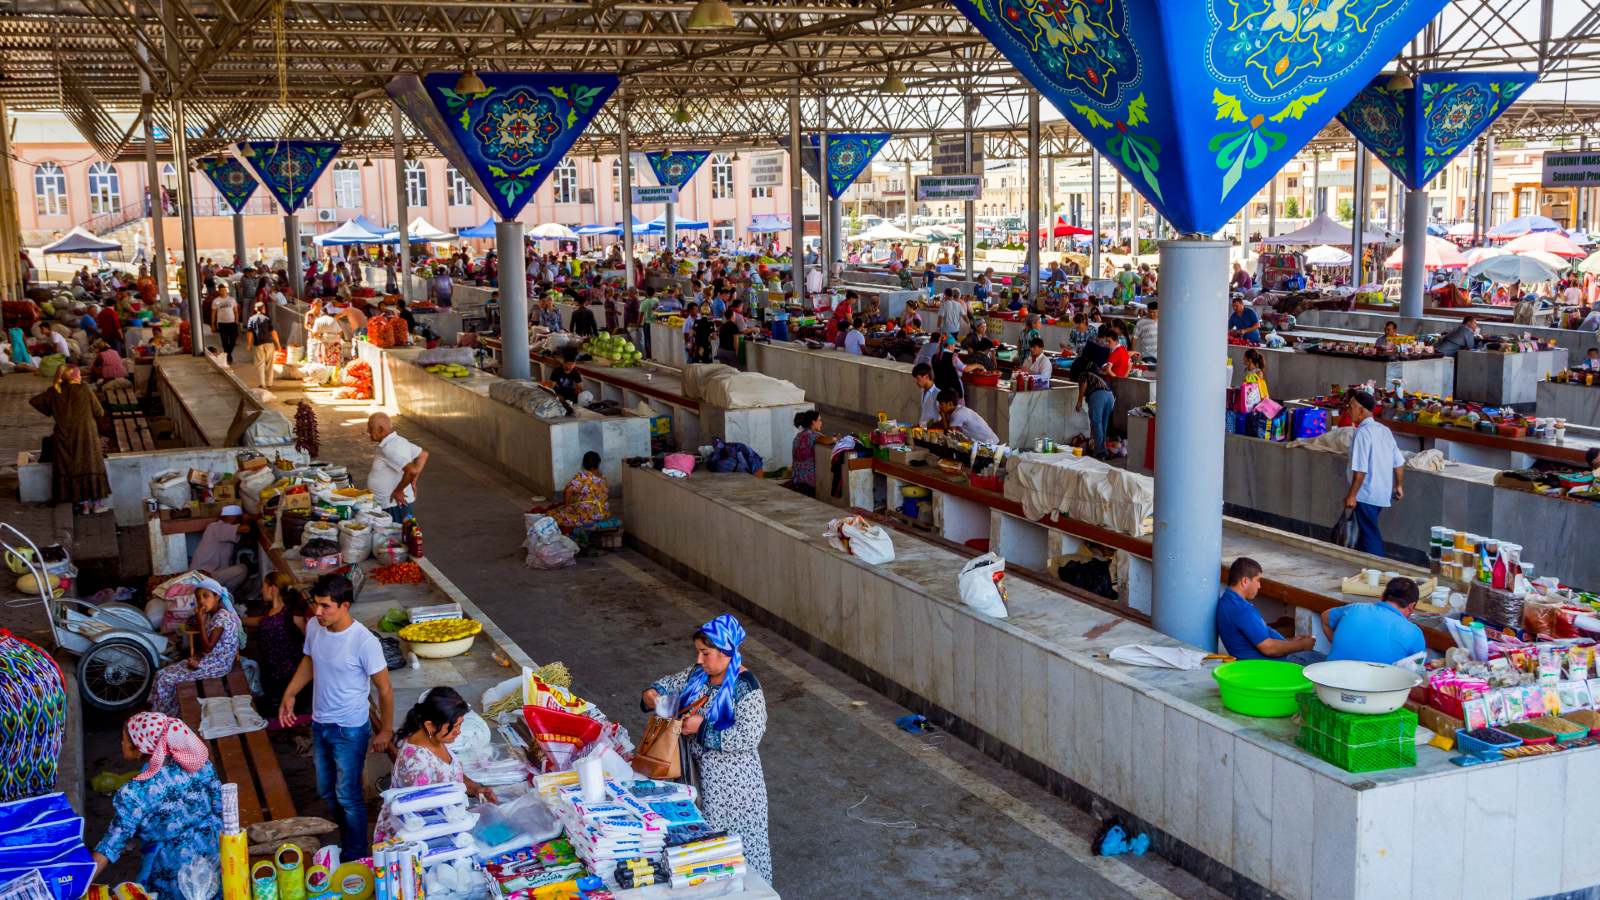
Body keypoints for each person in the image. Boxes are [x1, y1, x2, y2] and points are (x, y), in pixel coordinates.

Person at [642, 615, 771, 883]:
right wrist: (652, 694)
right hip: (696, 777)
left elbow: (749, 736)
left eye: (705, 653)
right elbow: (666, 685)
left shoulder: (746, 687)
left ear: (726, 651)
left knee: (737, 851)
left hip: (734, 790)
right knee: (704, 850)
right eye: (698, 652)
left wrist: (701, 728)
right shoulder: (698, 675)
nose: (699, 659)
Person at [278, 573, 394, 861]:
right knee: (326, 790)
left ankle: (355, 855)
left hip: (350, 730)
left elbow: (385, 689)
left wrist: (386, 730)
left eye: (325, 606)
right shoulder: (315, 628)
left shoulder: (364, 642)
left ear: (344, 605)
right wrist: (290, 693)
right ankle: (345, 836)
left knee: (348, 795)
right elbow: (310, 660)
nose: (318, 612)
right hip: (320, 724)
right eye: (316, 604)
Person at [93, 713, 222, 900]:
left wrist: (79, 883)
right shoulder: (196, 762)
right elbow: (219, 806)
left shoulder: (133, 793)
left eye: (124, 740)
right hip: (214, 853)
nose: (121, 743)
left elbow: (111, 845)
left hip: (172, 869)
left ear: (139, 749)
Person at [372, 688, 498, 842]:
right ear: (430, 725)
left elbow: (451, 772)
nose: (458, 732)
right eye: (454, 727)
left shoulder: (434, 738)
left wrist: (476, 789)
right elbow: (421, 817)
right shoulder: (417, 764)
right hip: (416, 836)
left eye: (460, 725)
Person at [150, 577, 244, 717]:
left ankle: (166, 715)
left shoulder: (222, 618)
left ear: (217, 597)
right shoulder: (214, 614)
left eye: (206, 596)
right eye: (198, 597)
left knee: (165, 678)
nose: (201, 601)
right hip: (211, 660)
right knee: (162, 673)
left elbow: (208, 647)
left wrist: (201, 622)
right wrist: (198, 656)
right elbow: (211, 647)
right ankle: (167, 710)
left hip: (218, 666)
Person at [30, 365, 110, 515]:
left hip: (64, 437)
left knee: (73, 469)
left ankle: (83, 506)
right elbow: (99, 412)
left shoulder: (54, 391)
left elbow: (35, 401)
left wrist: (54, 408)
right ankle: (96, 505)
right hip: (86, 435)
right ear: (74, 376)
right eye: (79, 374)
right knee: (90, 467)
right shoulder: (84, 389)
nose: (80, 377)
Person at [1215, 557, 1322, 663]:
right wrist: (1301, 645)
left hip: (1263, 660)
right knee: (1324, 662)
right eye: (1258, 580)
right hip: (1272, 664)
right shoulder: (1240, 609)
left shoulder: (1227, 601)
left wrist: (1291, 642)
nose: (1259, 586)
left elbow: (1261, 638)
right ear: (1245, 581)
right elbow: (1269, 648)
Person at [1343, 390, 1405, 557]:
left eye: (1351, 407)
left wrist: (1352, 495)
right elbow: (1399, 462)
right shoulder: (1384, 430)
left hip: (1366, 494)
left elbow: (1360, 471)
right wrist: (1399, 486)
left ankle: (1377, 566)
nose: (1348, 410)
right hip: (1382, 492)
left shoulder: (1362, 433)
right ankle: (1364, 564)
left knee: (1369, 533)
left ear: (1361, 410)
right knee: (1364, 532)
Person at [1320, 579, 1426, 665]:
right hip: (1374, 685)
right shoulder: (1414, 633)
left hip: (1328, 680)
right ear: (1412, 606)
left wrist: (1339, 646)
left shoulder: (1356, 608)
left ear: (1382, 596)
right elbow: (1416, 671)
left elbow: (1324, 617)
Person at [245, 571, 306, 716]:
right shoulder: (270, 611)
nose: (262, 590)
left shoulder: (292, 614)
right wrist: (238, 620)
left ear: (273, 588)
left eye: (264, 586)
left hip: (287, 676)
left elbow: (308, 640)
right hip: (271, 672)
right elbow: (262, 621)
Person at [366, 412, 428, 522]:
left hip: (393, 504)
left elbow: (412, 470)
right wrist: (413, 480)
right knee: (404, 530)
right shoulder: (399, 440)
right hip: (394, 504)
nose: (368, 431)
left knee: (398, 531)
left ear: (380, 429)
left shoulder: (389, 448)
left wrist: (399, 490)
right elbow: (423, 455)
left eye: (370, 428)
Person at [190, 504, 249, 595]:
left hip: (208, 575)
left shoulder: (221, 528)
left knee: (236, 570)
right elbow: (245, 529)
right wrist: (246, 519)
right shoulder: (216, 527)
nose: (239, 520)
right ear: (232, 518)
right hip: (203, 577)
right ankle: (225, 597)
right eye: (238, 517)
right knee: (242, 569)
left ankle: (220, 596)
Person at [549, 450, 609, 531]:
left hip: (587, 517)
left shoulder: (582, 476)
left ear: (584, 463)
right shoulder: (603, 477)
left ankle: (584, 526)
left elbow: (568, 491)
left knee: (552, 515)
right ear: (598, 463)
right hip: (603, 514)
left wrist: (567, 506)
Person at [1074, 368, 1115, 457]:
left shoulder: (1083, 374)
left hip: (1098, 396)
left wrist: (1079, 401)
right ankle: (1103, 450)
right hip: (1110, 396)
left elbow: (1084, 383)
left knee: (1097, 423)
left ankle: (1100, 451)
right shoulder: (1095, 377)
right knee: (1103, 424)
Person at [934, 389, 999, 443]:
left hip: (990, 443)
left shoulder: (958, 414)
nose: (939, 406)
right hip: (986, 441)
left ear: (950, 404)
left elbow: (950, 435)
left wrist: (943, 417)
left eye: (941, 404)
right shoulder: (958, 410)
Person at [244, 301, 281, 388]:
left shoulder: (251, 319)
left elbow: (249, 333)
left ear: (255, 309)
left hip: (258, 344)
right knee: (270, 364)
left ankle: (262, 384)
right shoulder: (267, 319)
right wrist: (278, 345)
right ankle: (269, 383)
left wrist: (249, 344)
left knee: (260, 364)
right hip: (269, 344)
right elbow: (273, 332)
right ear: (264, 309)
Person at [790, 410, 823, 497]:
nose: (821, 423)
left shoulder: (799, 436)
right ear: (813, 422)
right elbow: (826, 440)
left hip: (797, 479)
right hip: (808, 482)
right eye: (819, 420)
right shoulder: (812, 435)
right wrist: (835, 439)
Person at [211, 284, 240, 361]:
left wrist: (237, 320)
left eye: (224, 290)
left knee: (233, 340)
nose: (223, 292)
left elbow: (236, 311)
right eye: (221, 290)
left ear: (226, 290)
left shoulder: (232, 300)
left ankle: (228, 353)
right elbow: (213, 313)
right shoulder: (216, 301)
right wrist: (213, 324)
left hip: (232, 322)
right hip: (221, 323)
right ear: (219, 291)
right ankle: (228, 355)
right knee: (224, 340)